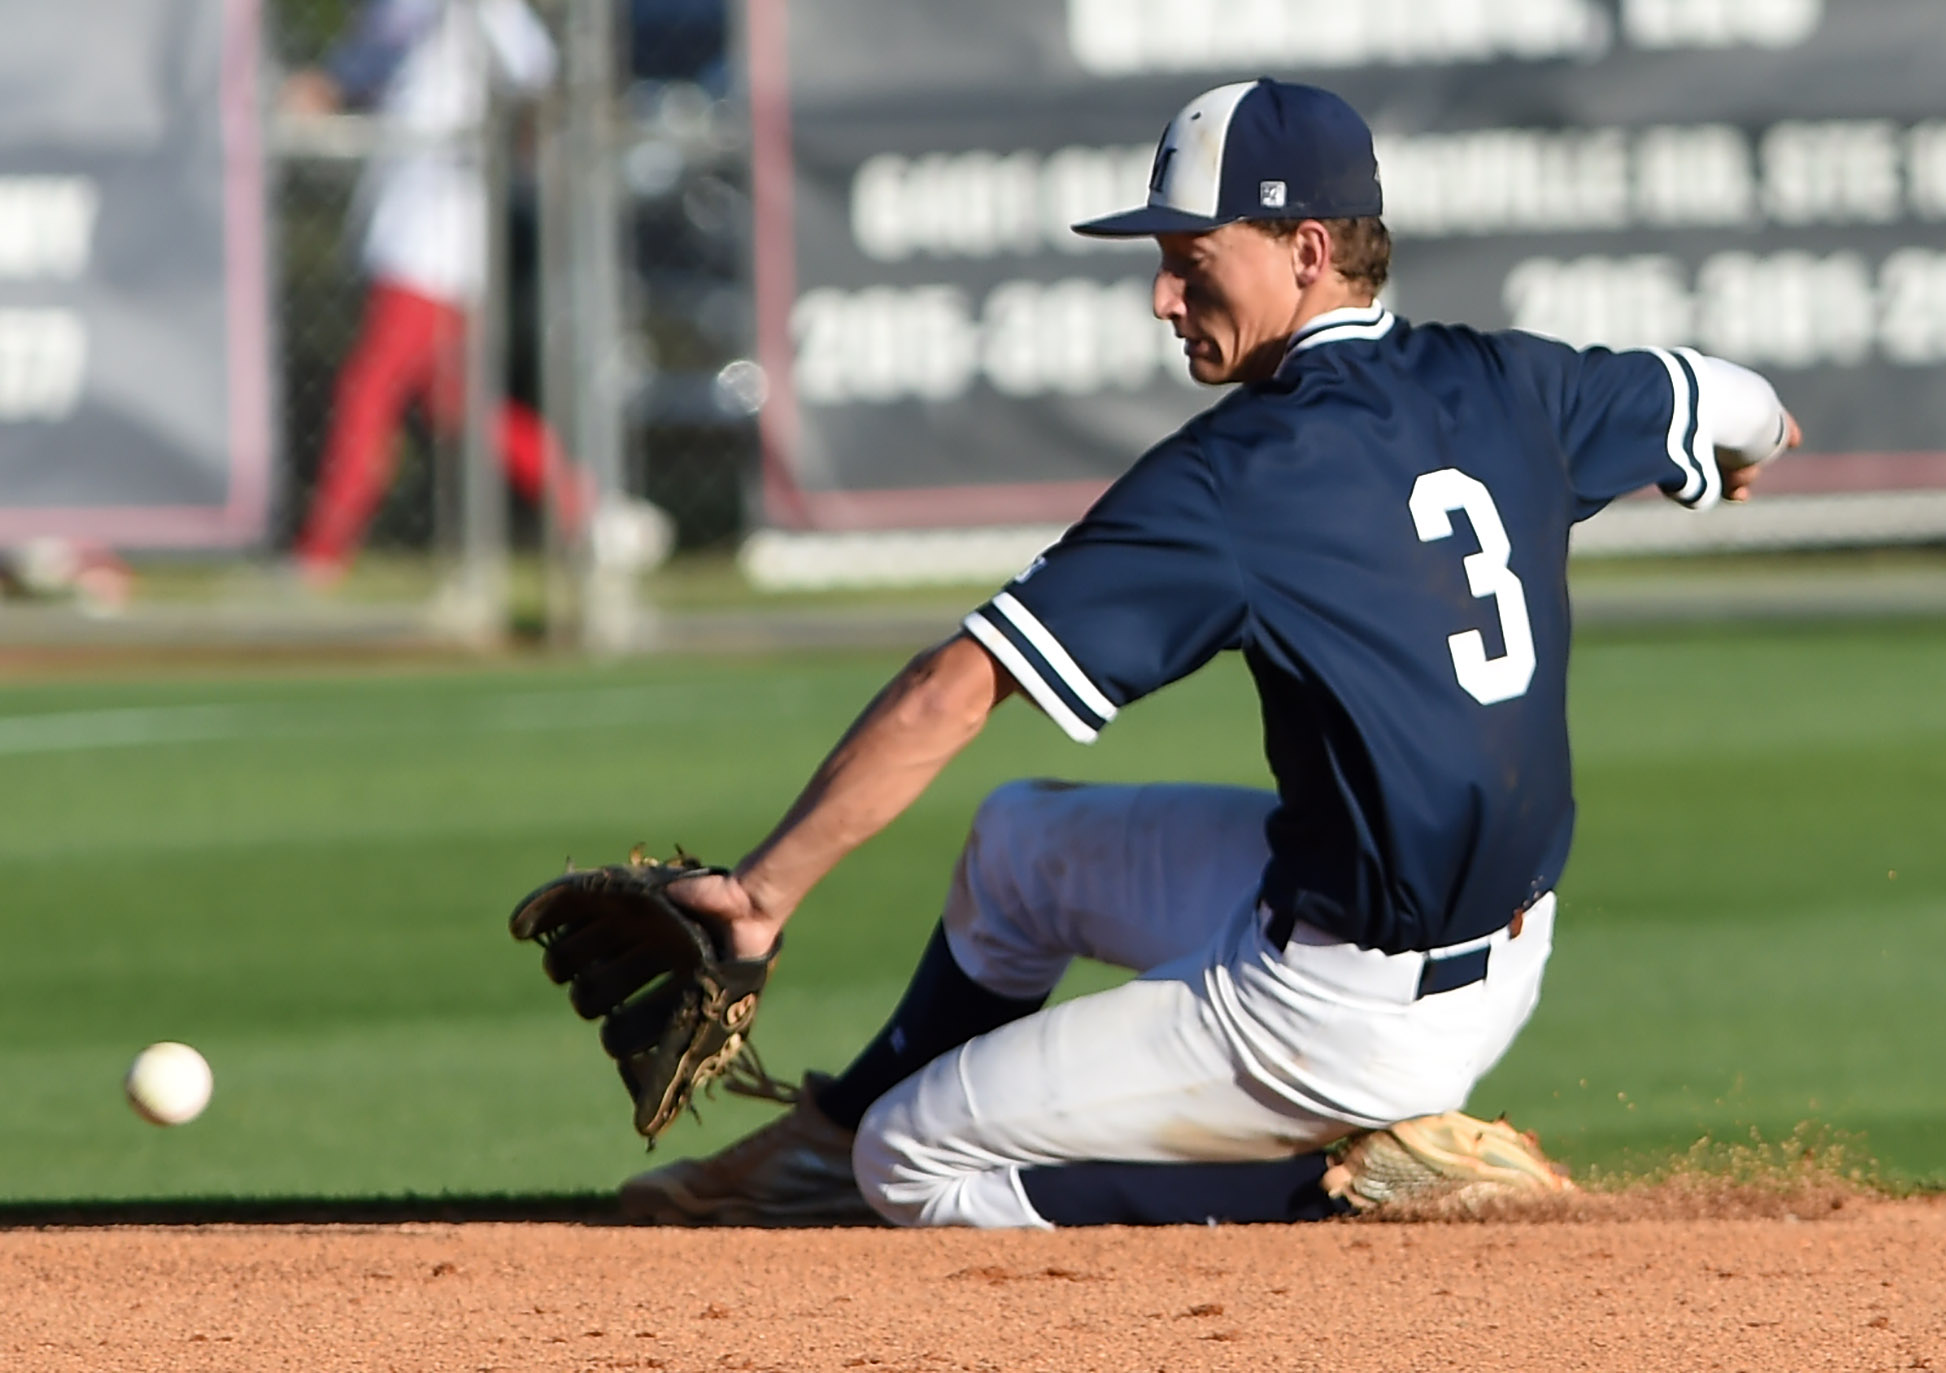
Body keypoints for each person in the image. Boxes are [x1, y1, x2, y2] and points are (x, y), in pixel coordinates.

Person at [620, 78, 1801, 1228]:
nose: (1161, 295)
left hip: (1333, 1009)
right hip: (1485, 938)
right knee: (1018, 847)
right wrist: (1741, 453)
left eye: (1192, 259)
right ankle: (834, 1123)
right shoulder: (1515, 381)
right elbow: (1734, 398)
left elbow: (951, 689)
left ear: (1305, 250)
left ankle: (1345, 1181)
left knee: (913, 1163)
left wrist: (764, 891)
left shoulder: (1237, 475)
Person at [285, 0, 592, 584]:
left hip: (436, 237)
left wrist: (513, 140)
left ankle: (322, 550)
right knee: (453, 399)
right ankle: (585, 506)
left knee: (369, 390)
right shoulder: (407, 14)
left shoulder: (487, 13)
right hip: (406, 225)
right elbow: (360, 68)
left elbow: (537, 81)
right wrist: (321, 88)